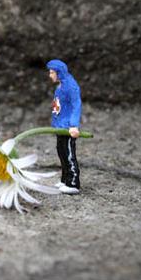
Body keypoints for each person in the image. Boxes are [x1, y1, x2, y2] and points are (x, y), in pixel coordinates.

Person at [47, 59, 82, 194]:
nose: (50, 75)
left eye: (52, 73)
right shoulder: (60, 87)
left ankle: (73, 182)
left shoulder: (71, 86)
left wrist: (73, 125)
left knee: (68, 154)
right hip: (60, 126)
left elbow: (76, 105)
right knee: (61, 152)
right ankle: (65, 180)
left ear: (59, 73)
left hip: (67, 128)